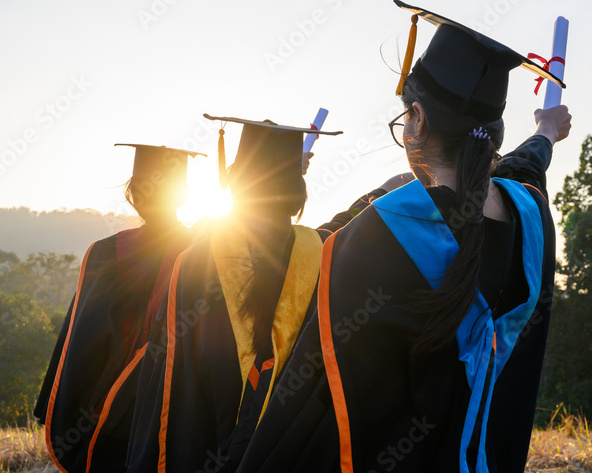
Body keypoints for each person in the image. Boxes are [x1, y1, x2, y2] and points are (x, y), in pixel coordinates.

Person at [237, 2, 572, 472]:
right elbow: (519, 171)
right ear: (493, 132)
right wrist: (545, 133)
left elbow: (313, 412)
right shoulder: (531, 215)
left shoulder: (376, 236)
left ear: (418, 117)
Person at [116, 115, 342, 473]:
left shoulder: (197, 261)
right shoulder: (328, 254)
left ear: (235, 184)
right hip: (298, 450)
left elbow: (175, 377)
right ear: (298, 189)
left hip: (210, 445)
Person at [33, 143, 204, 473]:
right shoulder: (202, 253)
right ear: (183, 195)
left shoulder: (106, 252)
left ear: (134, 195)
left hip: (106, 415)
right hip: (172, 415)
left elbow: (82, 342)